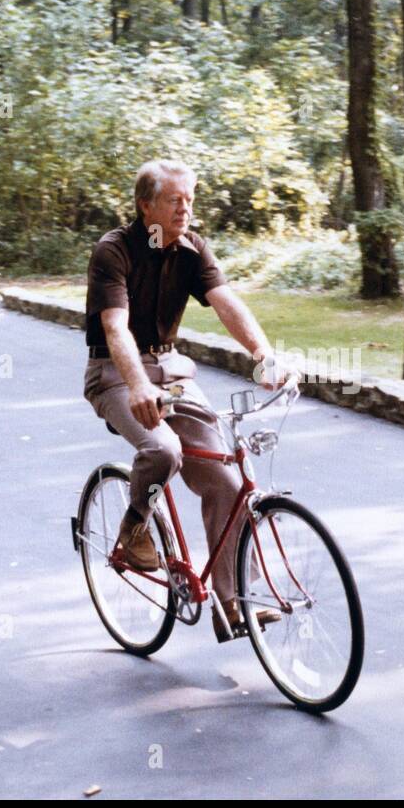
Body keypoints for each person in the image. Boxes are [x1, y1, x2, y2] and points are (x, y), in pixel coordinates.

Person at [83, 160, 291, 643]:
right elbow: (115, 327)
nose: (185, 208)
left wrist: (264, 355)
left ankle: (236, 603)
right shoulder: (113, 251)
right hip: (115, 372)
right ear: (146, 205)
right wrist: (137, 385)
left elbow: (226, 302)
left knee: (226, 481)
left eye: (190, 199)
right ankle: (134, 528)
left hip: (172, 372)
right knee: (163, 451)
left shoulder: (192, 249)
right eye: (175, 200)